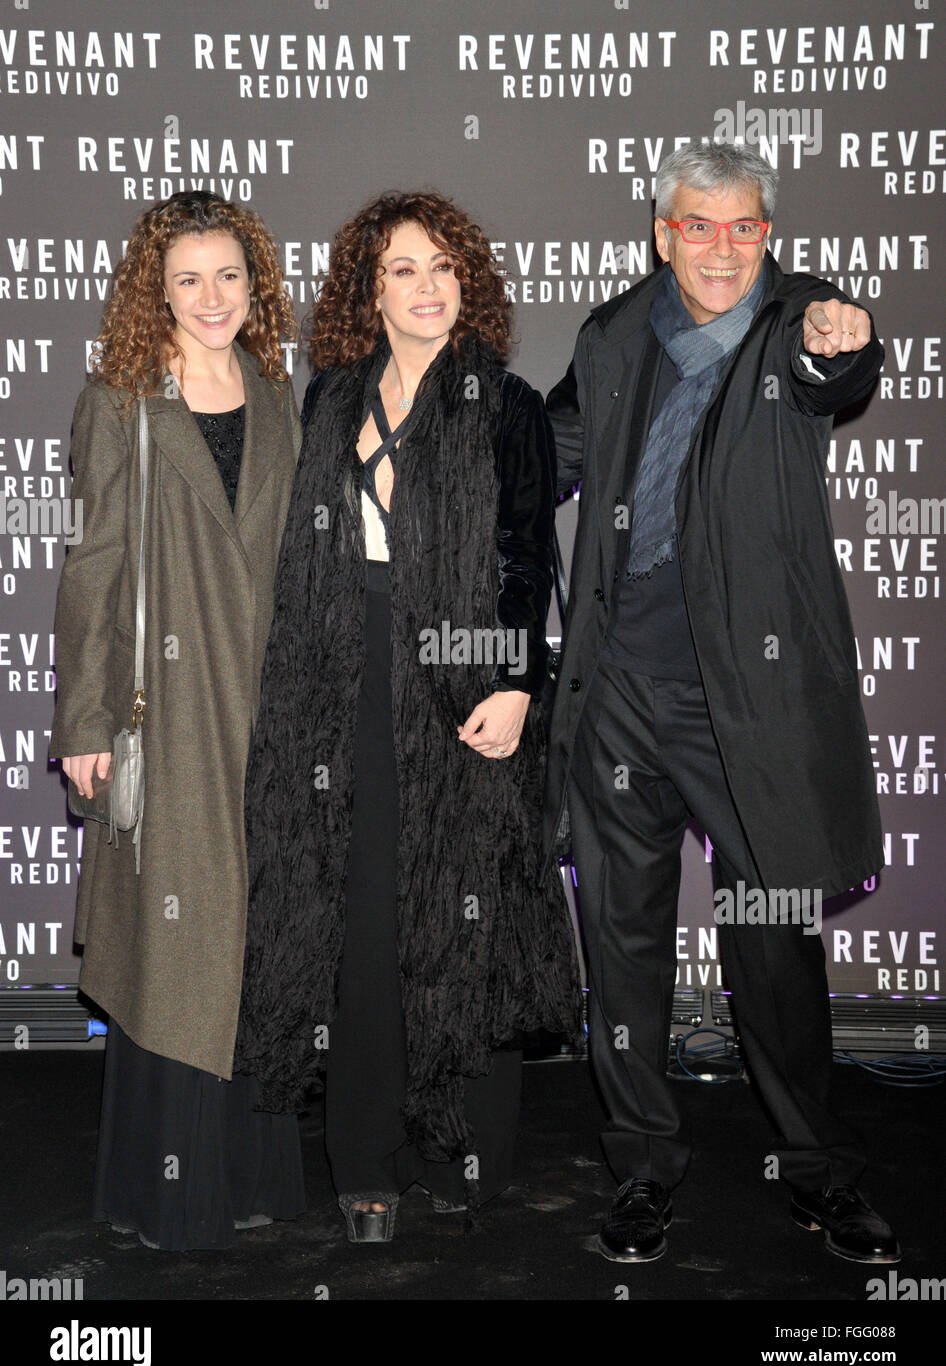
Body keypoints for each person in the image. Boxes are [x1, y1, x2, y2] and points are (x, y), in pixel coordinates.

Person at [543, 142, 900, 1265]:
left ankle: (813, 1172)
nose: (721, 248)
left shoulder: (797, 321)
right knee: (624, 945)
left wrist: (845, 343)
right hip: (621, 697)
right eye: (698, 225)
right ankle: (642, 1166)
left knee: (772, 949)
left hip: (747, 705)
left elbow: (833, 369)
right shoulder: (610, 338)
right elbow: (539, 453)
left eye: (744, 226)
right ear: (664, 234)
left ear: (767, 236)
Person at [233, 190, 581, 1241]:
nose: (427, 286)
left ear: (464, 281)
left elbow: (527, 552)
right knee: (368, 915)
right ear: (367, 291)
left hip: (466, 677)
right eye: (402, 269)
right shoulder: (330, 400)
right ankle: (365, 1152)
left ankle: (464, 1142)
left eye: (443, 266)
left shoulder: (506, 403)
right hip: (346, 678)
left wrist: (515, 683)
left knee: (464, 904)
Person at [50, 191, 305, 1250]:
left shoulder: (280, 393)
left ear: (257, 285)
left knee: (261, 939)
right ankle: (170, 1195)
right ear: (154, 290)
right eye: (188, 278)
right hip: (174, 713)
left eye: (229, 275)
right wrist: (85, 721)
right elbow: (95, 569)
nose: (212, 297)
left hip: (274, 711)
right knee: (177, 949)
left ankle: (250, 1180)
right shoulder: (120, 400)